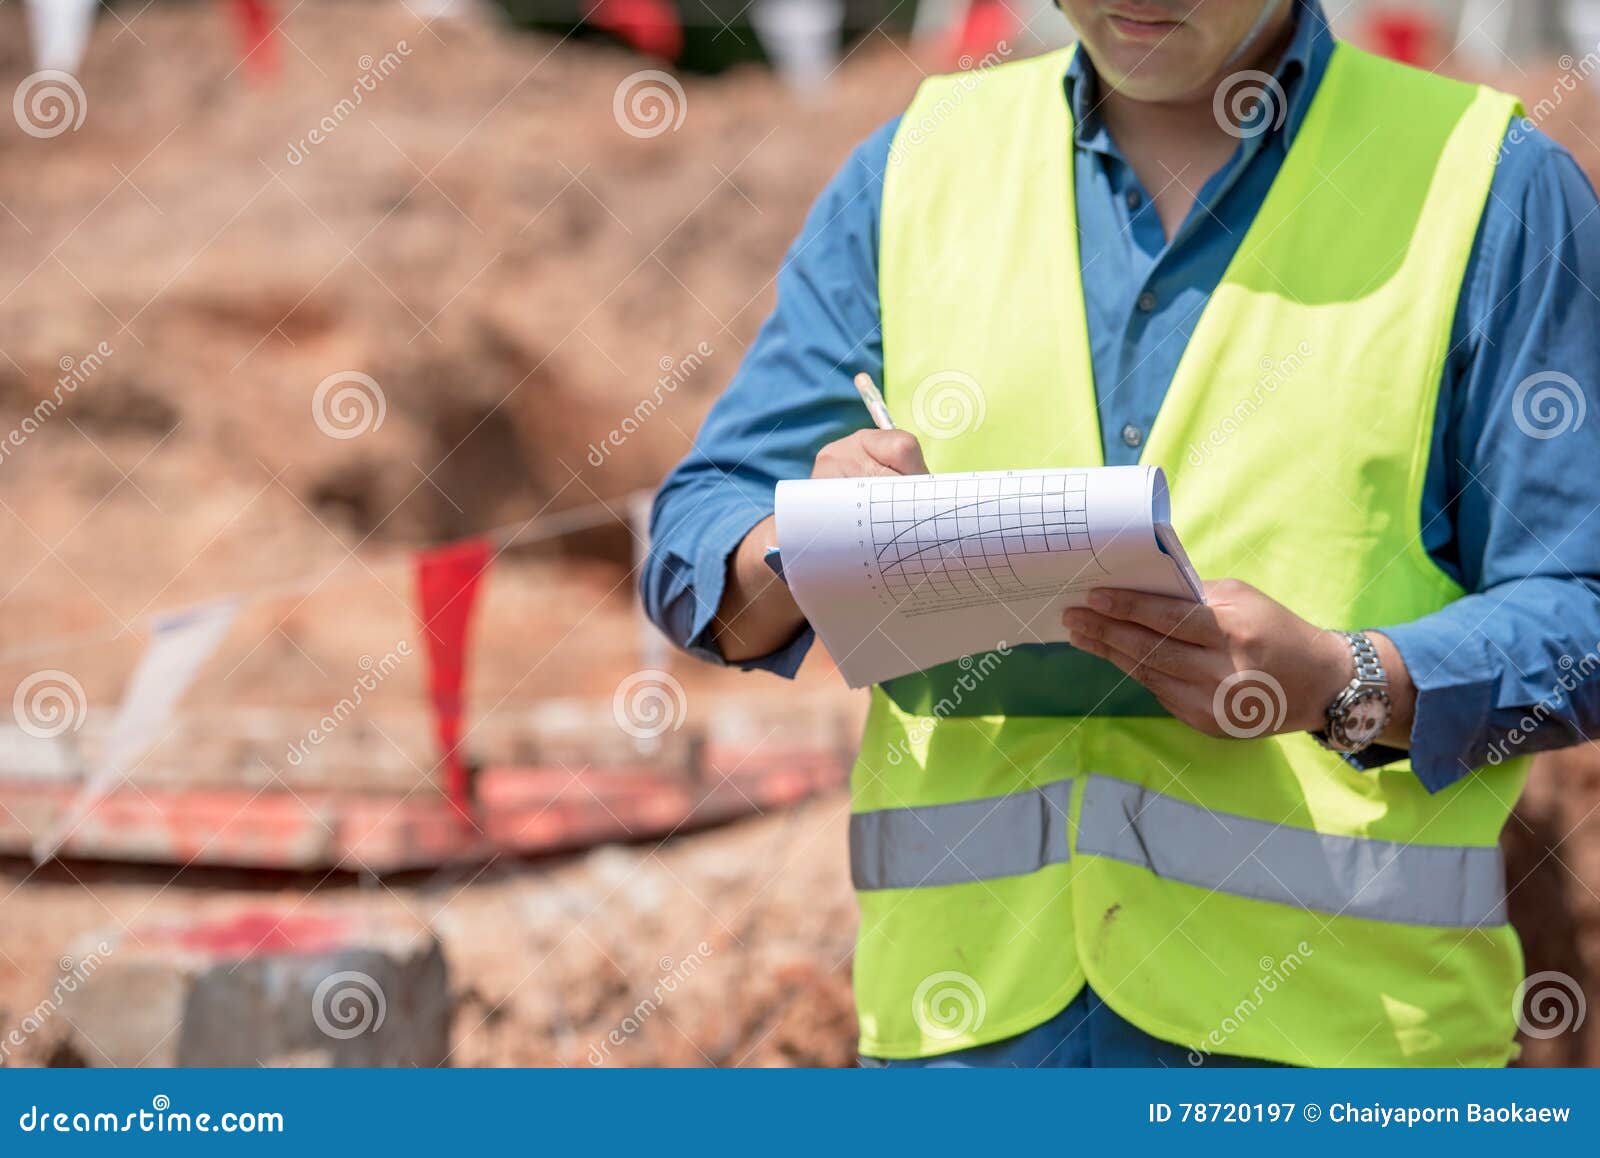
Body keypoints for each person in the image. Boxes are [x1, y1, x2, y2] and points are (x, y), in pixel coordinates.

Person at [641, 0, 1600, 1067]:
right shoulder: (917, 168)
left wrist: (1346, 682)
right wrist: (814, 540)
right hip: (963, 1048)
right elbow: (697, 539)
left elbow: (1582, 603)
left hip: (1341, 1050)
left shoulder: (1489, 187)